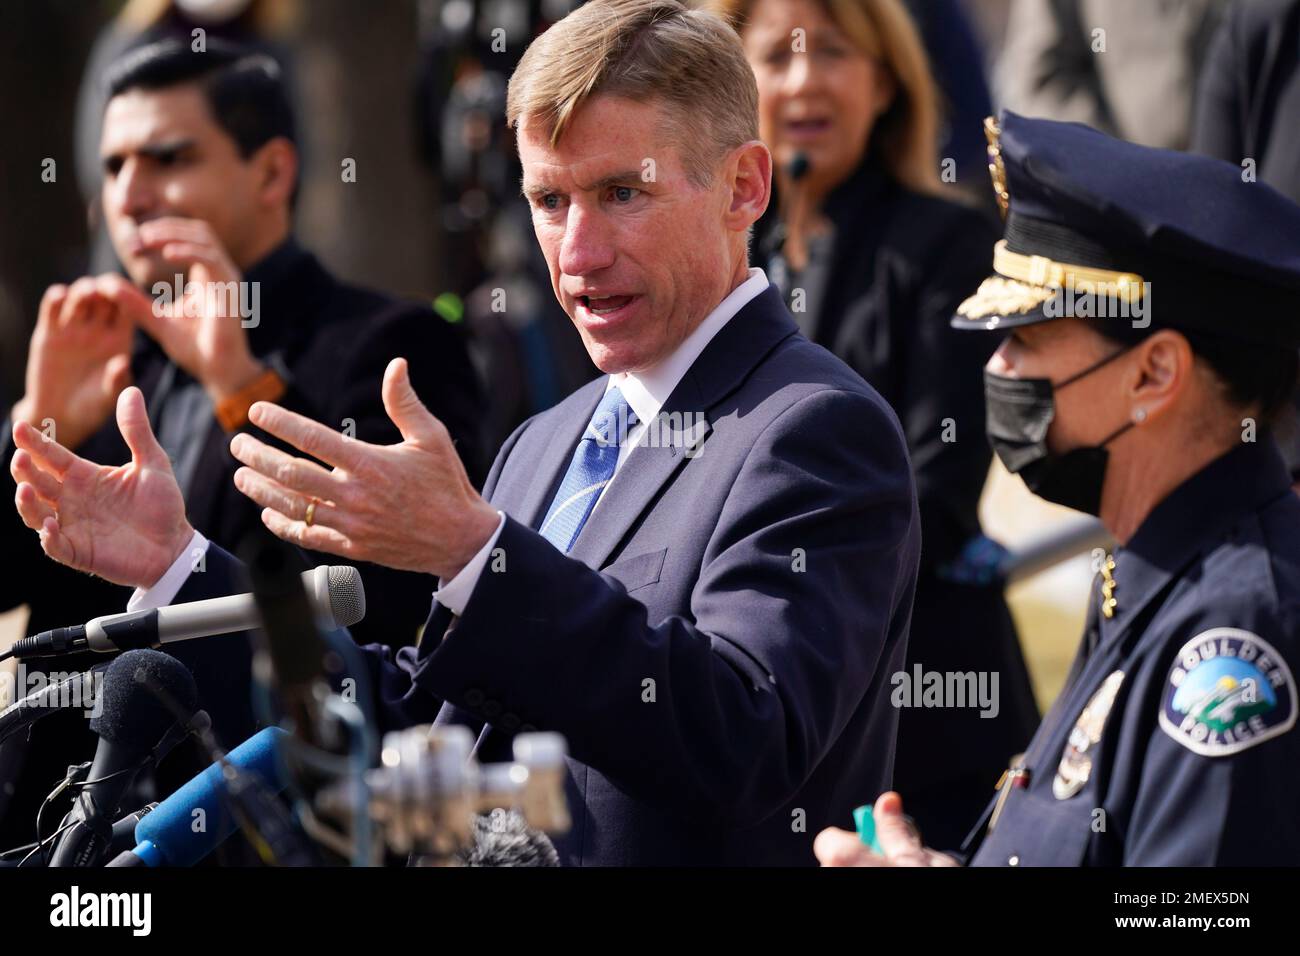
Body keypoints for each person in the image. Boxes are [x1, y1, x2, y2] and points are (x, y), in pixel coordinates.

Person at [11, 0, 921, 867]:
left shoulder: (814, 431)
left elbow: (743, 738)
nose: (578, 252)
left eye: (620, 193)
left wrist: (474, 550)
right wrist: (177, 569)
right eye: (550, 201)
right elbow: (410, 726)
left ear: (743, 187)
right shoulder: (545, 441)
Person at [0, 40, 484, 843]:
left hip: (265, 828)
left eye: (168, 157)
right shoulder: (117, 353)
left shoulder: (392, 342)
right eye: (113, 165)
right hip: (65, 832)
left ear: (271, 173)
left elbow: (390, 612)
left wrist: (242, 390)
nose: (130, 192)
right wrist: (40, 419)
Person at [815, 111, 1300, 866]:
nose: (998, 369)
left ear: (1154, 374)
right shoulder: (1152, 574)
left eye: (1028, 339)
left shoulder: (1233, 641)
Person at [715, 0, 1038, 847]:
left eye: (832, 52)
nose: (805, 80)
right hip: (747, 708)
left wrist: (756, 559)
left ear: (886, 81)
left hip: (924, 717)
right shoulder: (709, 254)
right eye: (776, 57)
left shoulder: (950, 244)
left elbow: (939, 488)